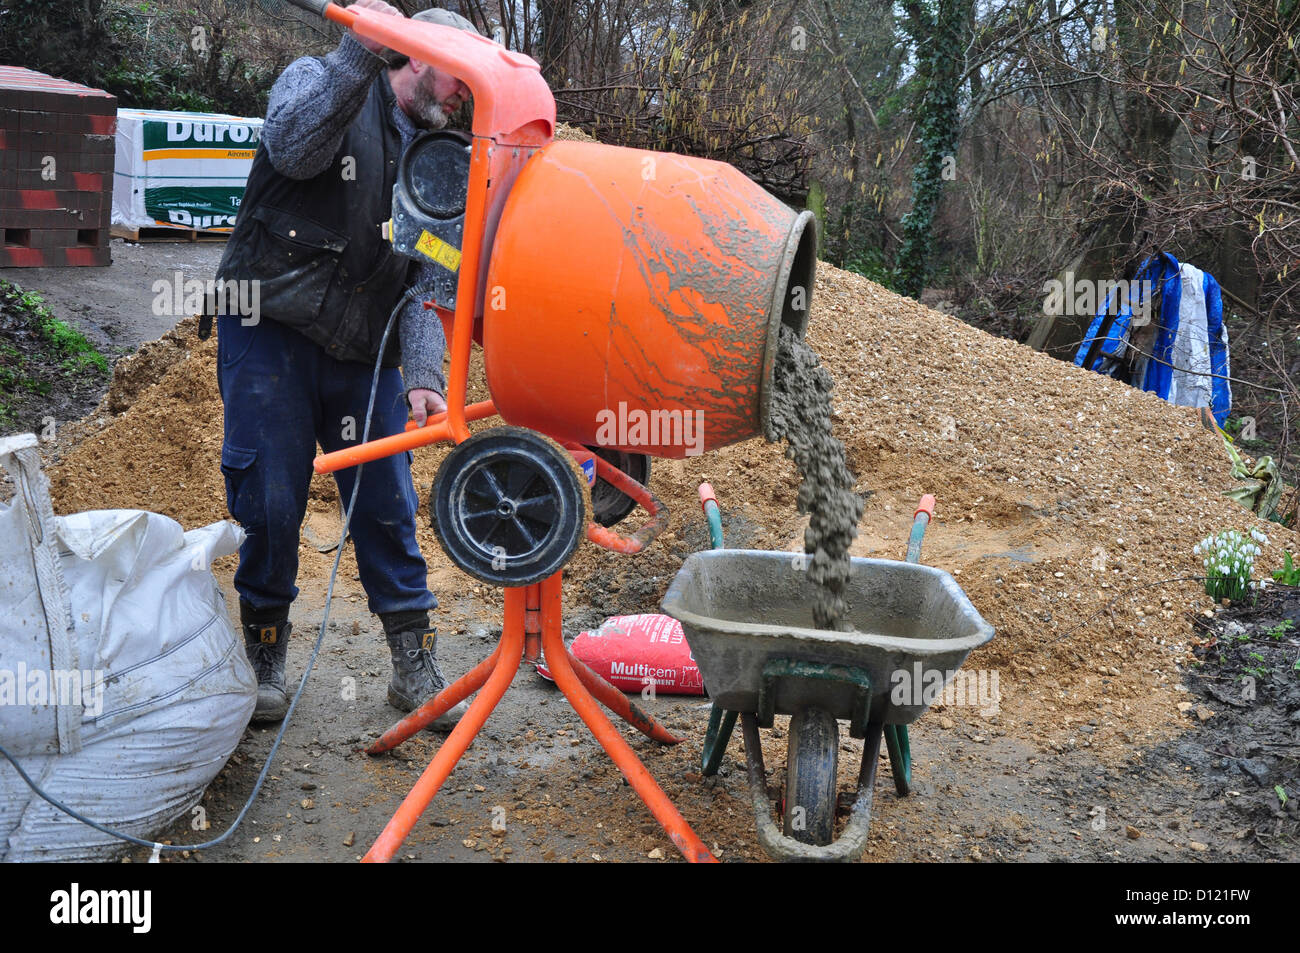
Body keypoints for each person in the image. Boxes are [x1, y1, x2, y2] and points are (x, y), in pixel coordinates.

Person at [209, 1, 476, 726]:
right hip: (272, 327)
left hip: (362, 351)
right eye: (458, 78)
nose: (462, 96)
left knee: (388, 503)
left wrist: (422, 373)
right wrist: (356, 54)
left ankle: (412, 663)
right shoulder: (316, 79)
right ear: (415, 56)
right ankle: (264, 652)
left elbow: (432, 275)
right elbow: (293, 149)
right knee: (269, 496)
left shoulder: (437, 157)